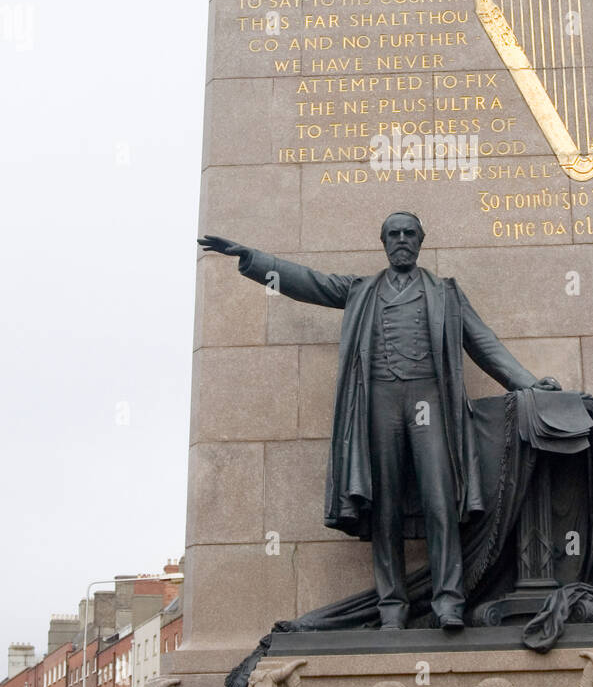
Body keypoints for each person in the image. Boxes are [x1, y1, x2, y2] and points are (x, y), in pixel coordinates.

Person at [199, 213, 560, 630]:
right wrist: (253, 259)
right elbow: (308, 283)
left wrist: (530, 385)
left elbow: (485, 345)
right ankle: (392, 607)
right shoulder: (361, 291)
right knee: (384, 504)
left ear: (421, 241)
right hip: (380, 403)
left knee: (440, 500)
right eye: (394, 234)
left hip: (430, 401)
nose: (402, 240)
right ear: (383, 242)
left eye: (409, 233)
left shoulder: (445, 294)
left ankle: (448, 602)